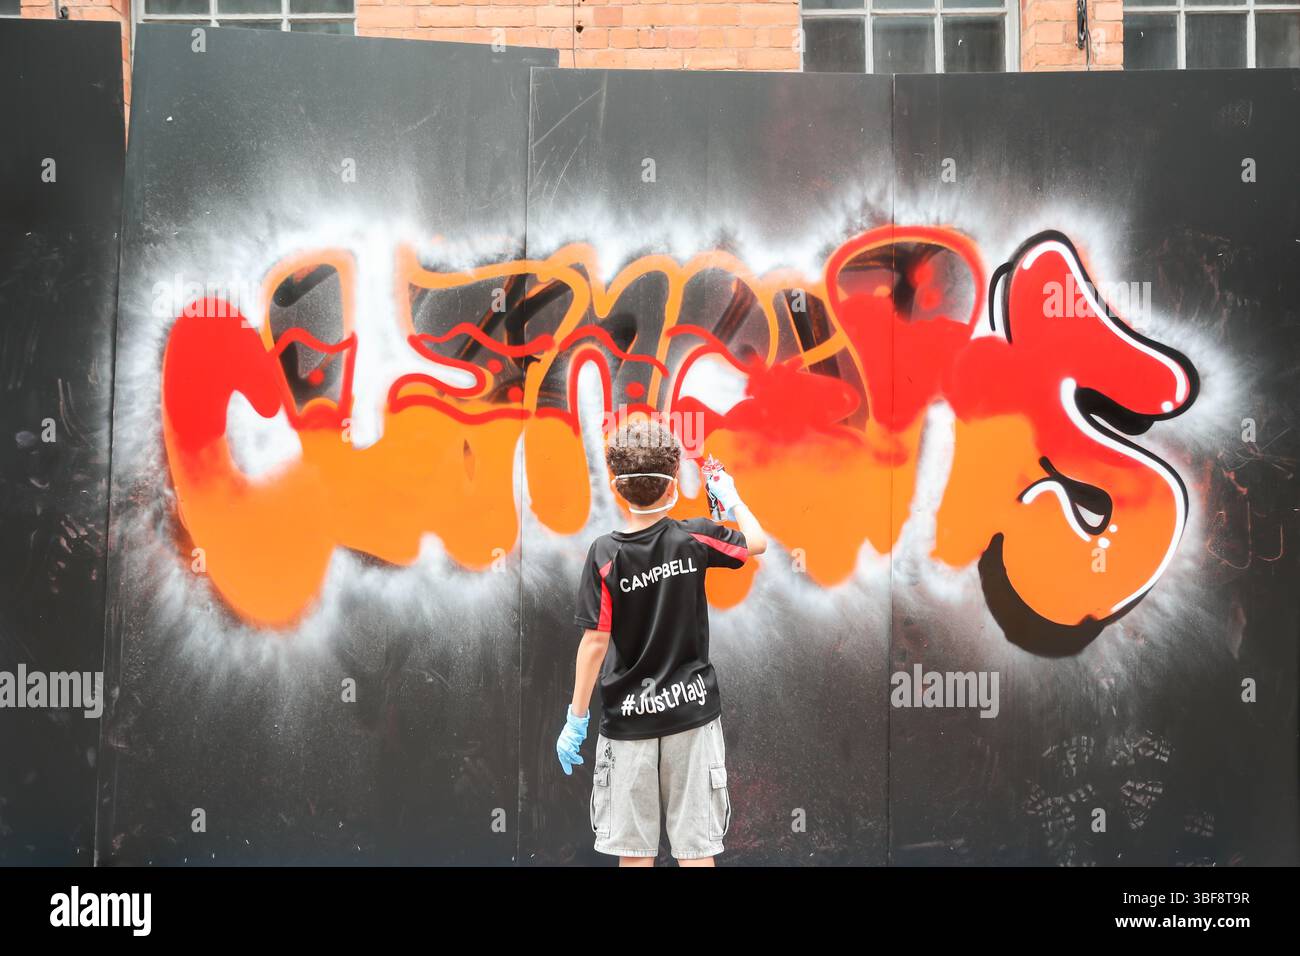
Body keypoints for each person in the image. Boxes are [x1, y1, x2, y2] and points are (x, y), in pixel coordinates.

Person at [554, 417, 768, 866]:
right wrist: (730, 498)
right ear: (673, 484)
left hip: (628, 723)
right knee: (696, 854)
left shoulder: (604, 554)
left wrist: (576, 718)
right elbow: (759, 542)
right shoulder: (692, 537)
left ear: (616, 486)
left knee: (634, 857)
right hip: (692, 719)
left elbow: (594, 643)